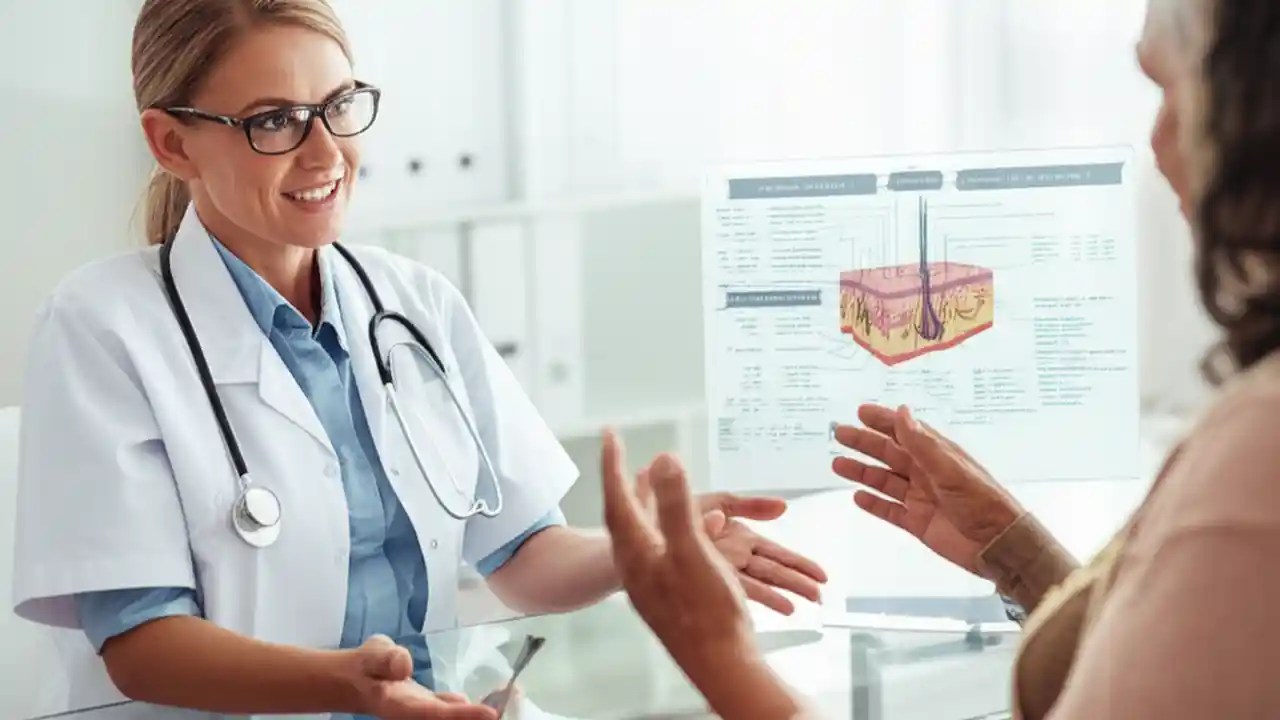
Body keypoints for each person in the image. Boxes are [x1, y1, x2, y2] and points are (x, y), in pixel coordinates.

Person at [8, 1, 828, 719]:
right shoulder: (102, 328)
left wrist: (645, 554)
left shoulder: (412, 303)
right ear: (171, 143)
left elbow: (524, 556)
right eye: (273, 121)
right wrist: (349, 686)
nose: (325, 152)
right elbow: (142, 645)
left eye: (337, 106)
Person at [604, 0, 1280, 717]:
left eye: (1170, 88)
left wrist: (721, 657)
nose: (1159, 140)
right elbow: (1183, 672)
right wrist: (1011, 548)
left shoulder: (1258, 445)